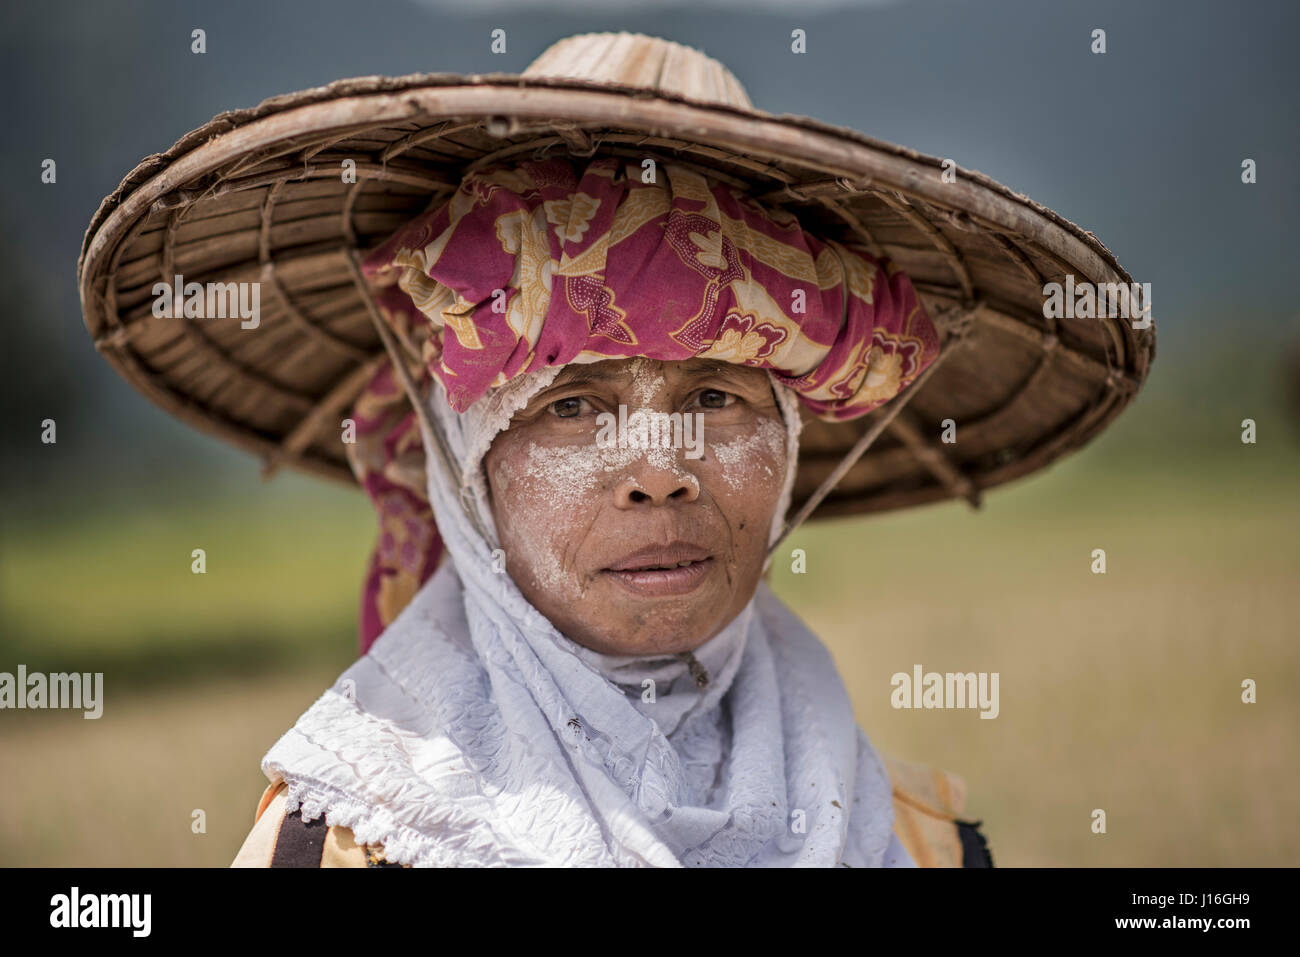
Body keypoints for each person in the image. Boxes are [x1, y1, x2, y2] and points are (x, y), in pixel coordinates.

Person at [228, 153, 992, 867]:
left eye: (716, 397)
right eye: (573, 407)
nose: (660, 474)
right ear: (470, 479)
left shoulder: (920, 842)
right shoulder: (345, 840)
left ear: (789, 447)